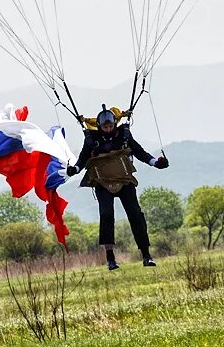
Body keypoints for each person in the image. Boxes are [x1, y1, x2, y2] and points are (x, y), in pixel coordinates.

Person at [67, 106, 169, 270]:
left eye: (110, 126)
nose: (108, 129)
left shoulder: (125, 136)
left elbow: (140, 153)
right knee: (106, 215)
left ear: (114, 124)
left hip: (125, 180)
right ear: (99, 127)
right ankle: (110, 258)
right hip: (102, 183)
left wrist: (156, 163)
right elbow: (81, 160)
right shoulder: (91, 140)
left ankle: (146, 255)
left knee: (135, 214)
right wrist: (74, 170)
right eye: (105, 127)